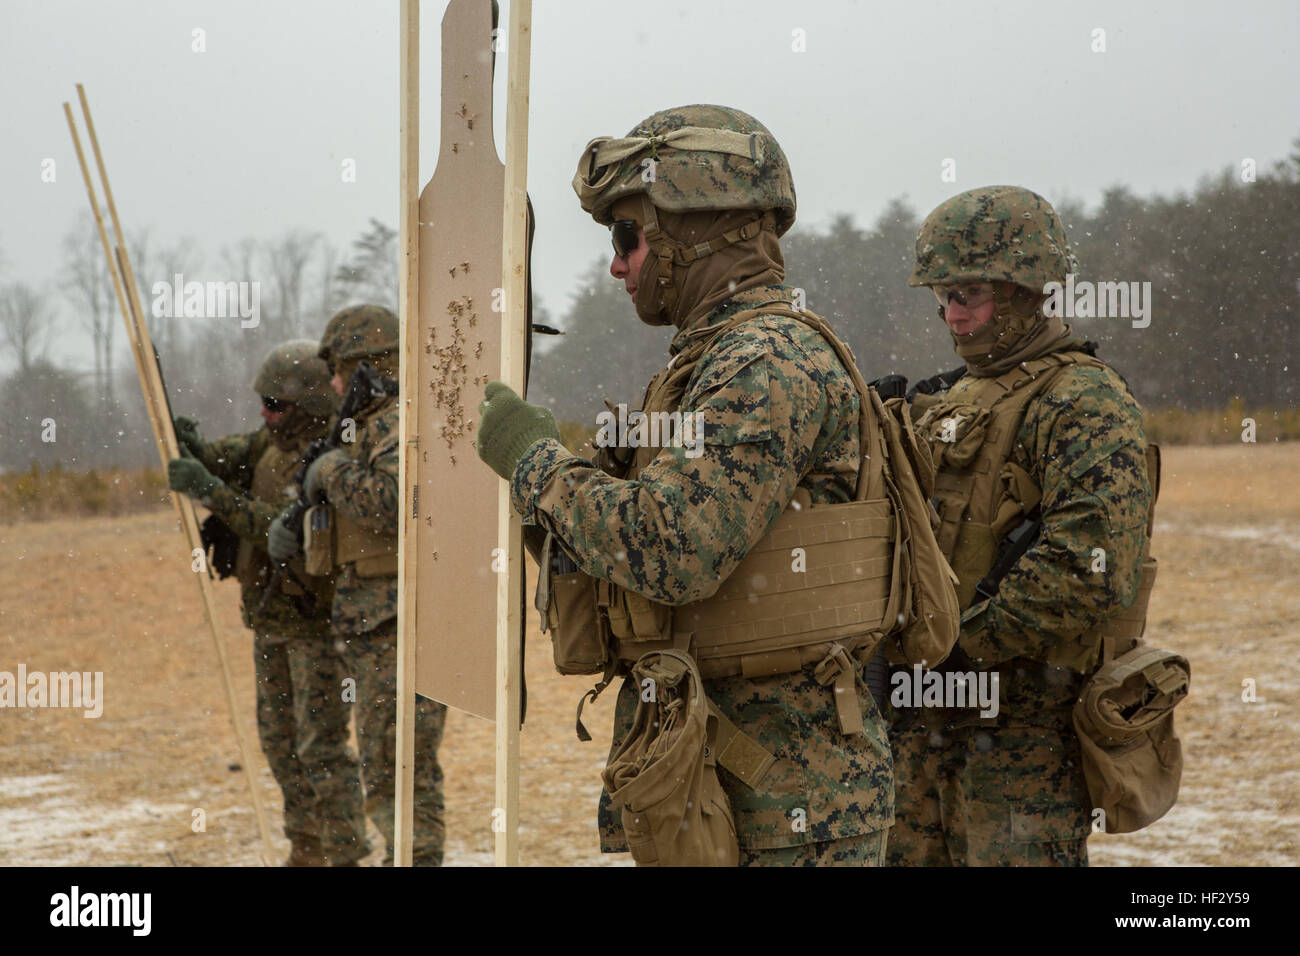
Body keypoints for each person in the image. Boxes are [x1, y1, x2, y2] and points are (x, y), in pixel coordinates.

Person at [475, 104, 935, 866]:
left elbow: (673, 547)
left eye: (627, 237)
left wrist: (535, 463)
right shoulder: (708, 363)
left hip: (785, 800)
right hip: (719, 779)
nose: (617, 265)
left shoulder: (765, 362)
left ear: (694, 234)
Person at [887, 185, 1153, 866]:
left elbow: (1089, 569)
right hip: (918, 733)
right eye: (942, 298)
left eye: (967, 298)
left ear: (1023, 293)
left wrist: (955, 648)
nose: (952, 317)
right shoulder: (945, 399)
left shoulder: (1084, 401)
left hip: (1023, 741)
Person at [167, 339, 367, 866]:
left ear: (308, 405)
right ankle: (307, 846)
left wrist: (210, 491)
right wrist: (190, 446)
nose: (265, 413)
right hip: (268, 620)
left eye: (275, 405)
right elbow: (219, 458)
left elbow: (275, 527)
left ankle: (345, 851)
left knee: (321, 748)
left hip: (315, 627)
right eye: (264, 403)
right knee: (280, 745)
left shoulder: (327, 459)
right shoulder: (265, 445)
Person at [268, 305, 447, 867]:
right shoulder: (371, 424)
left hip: (398, 624)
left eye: (342, 371)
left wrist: (331, 474)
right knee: (386, 768)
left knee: (400, 770)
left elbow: (395, 502)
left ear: (371, 365)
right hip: (377, 625)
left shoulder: (396, 420)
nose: (337, 385)